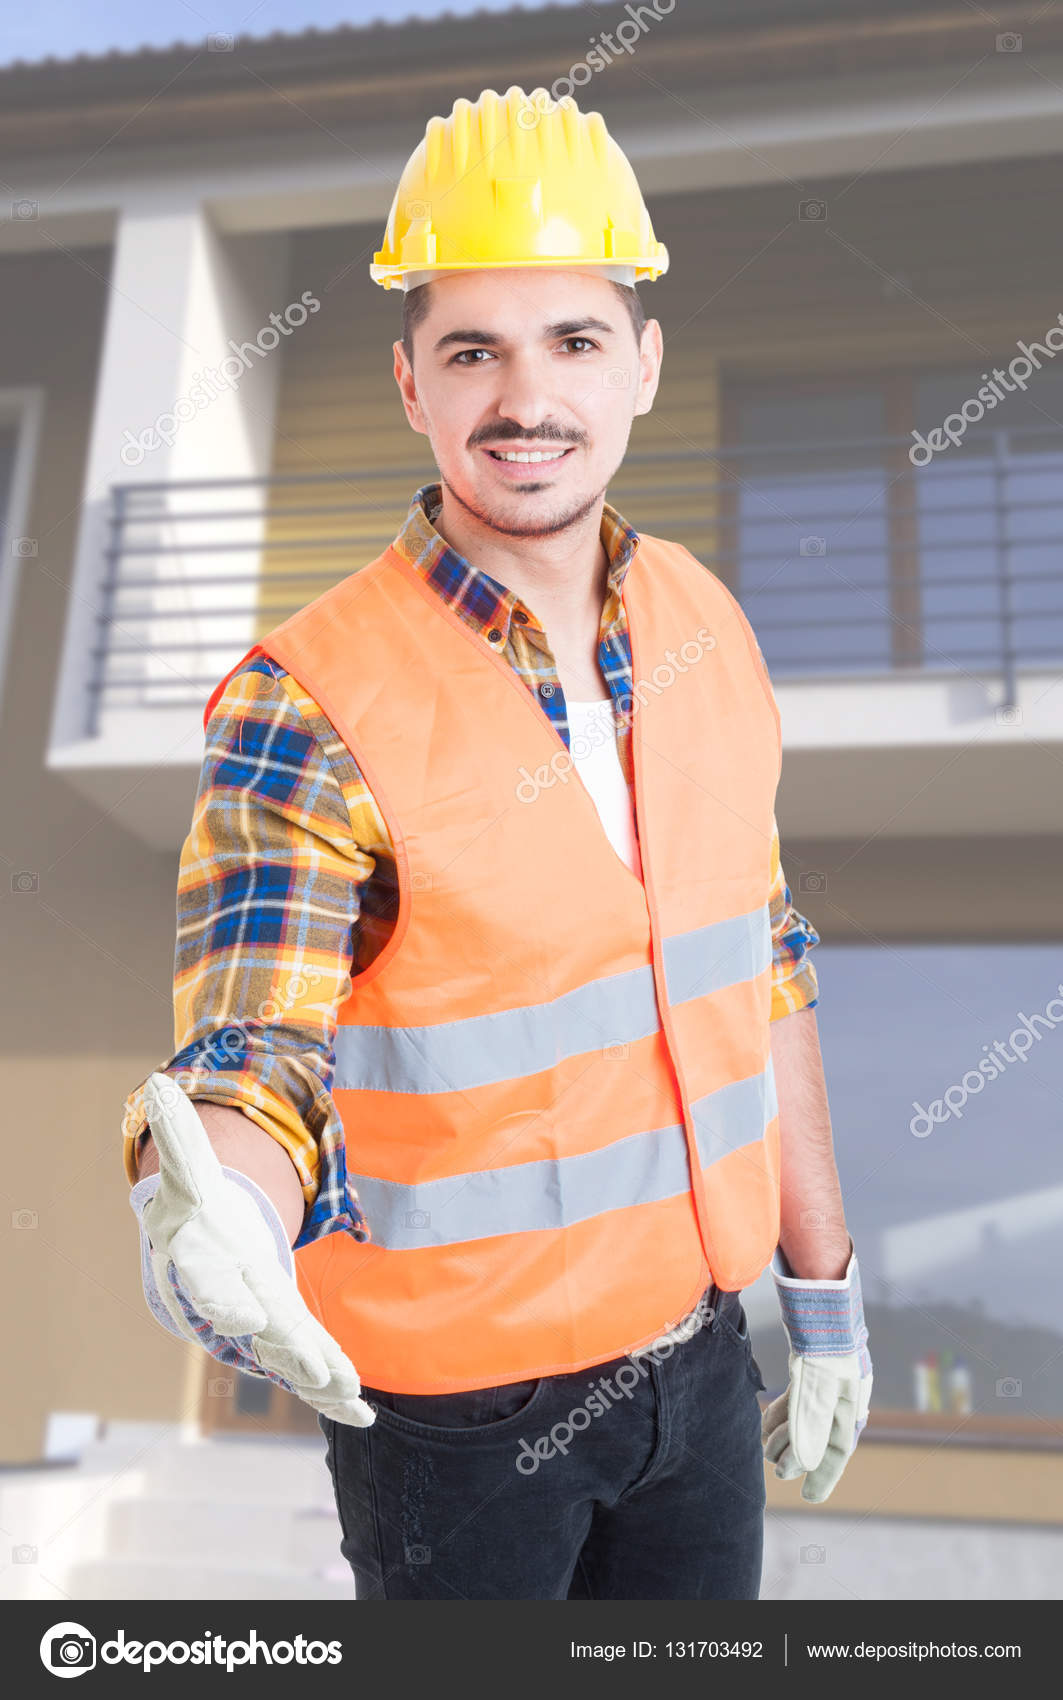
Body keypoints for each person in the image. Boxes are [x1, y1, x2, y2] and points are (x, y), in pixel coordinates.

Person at [124, 84, 871, 1602]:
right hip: (461, 1429)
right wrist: (225, 1216)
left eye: (574, 342)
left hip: (704, 1366)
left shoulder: (708, 632)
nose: (526, 397)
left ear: (644, 366)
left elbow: (765, 968)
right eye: (475, 351)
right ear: (412, 384)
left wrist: (830, 1287)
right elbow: (260, 1044)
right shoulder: (311, 696)